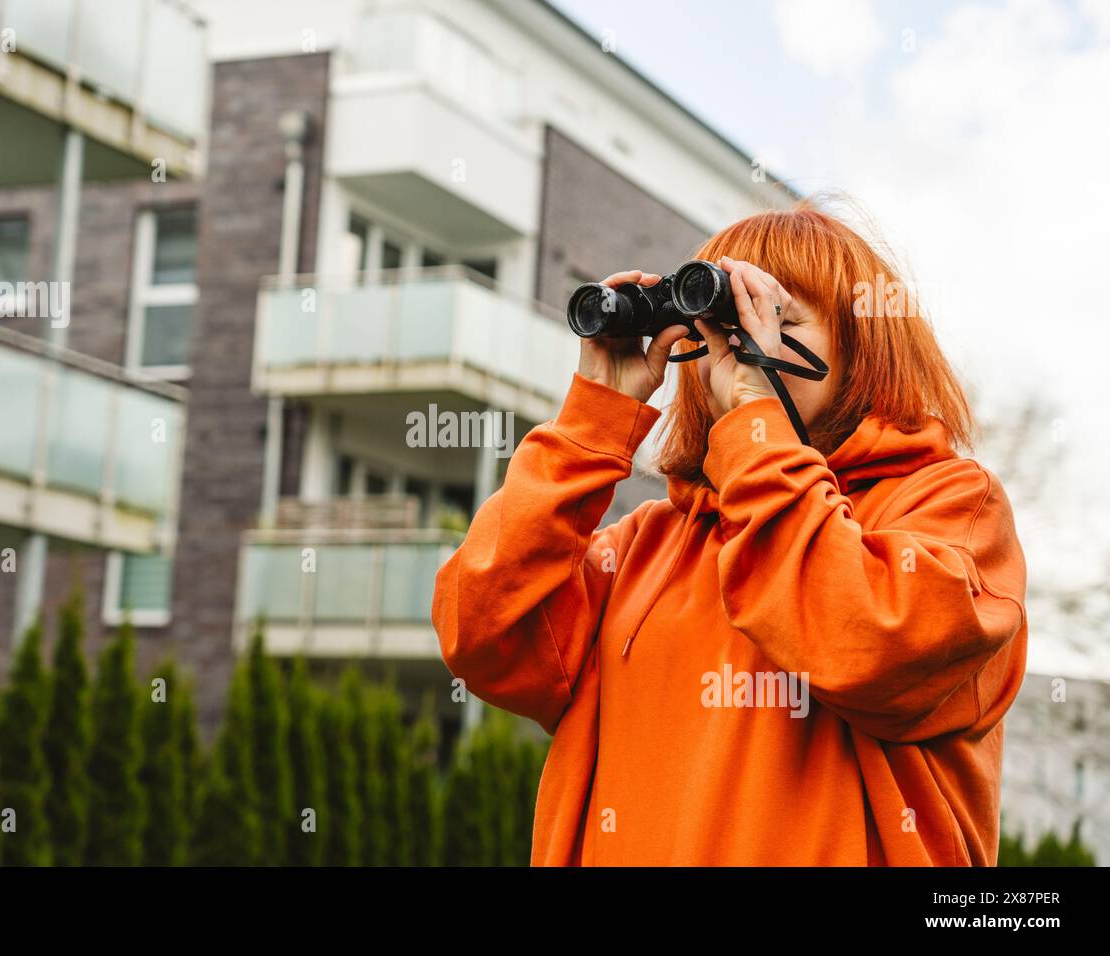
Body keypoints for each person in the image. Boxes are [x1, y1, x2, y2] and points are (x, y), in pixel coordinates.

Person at [431, 202, 1028, 866]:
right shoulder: (649, 544)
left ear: (863, 346)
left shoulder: (949, 507)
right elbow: (480, 629)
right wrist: (590, 422)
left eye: (773, 319)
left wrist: (755, 423)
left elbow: (866, 645)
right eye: (719, 325)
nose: (734, 348)